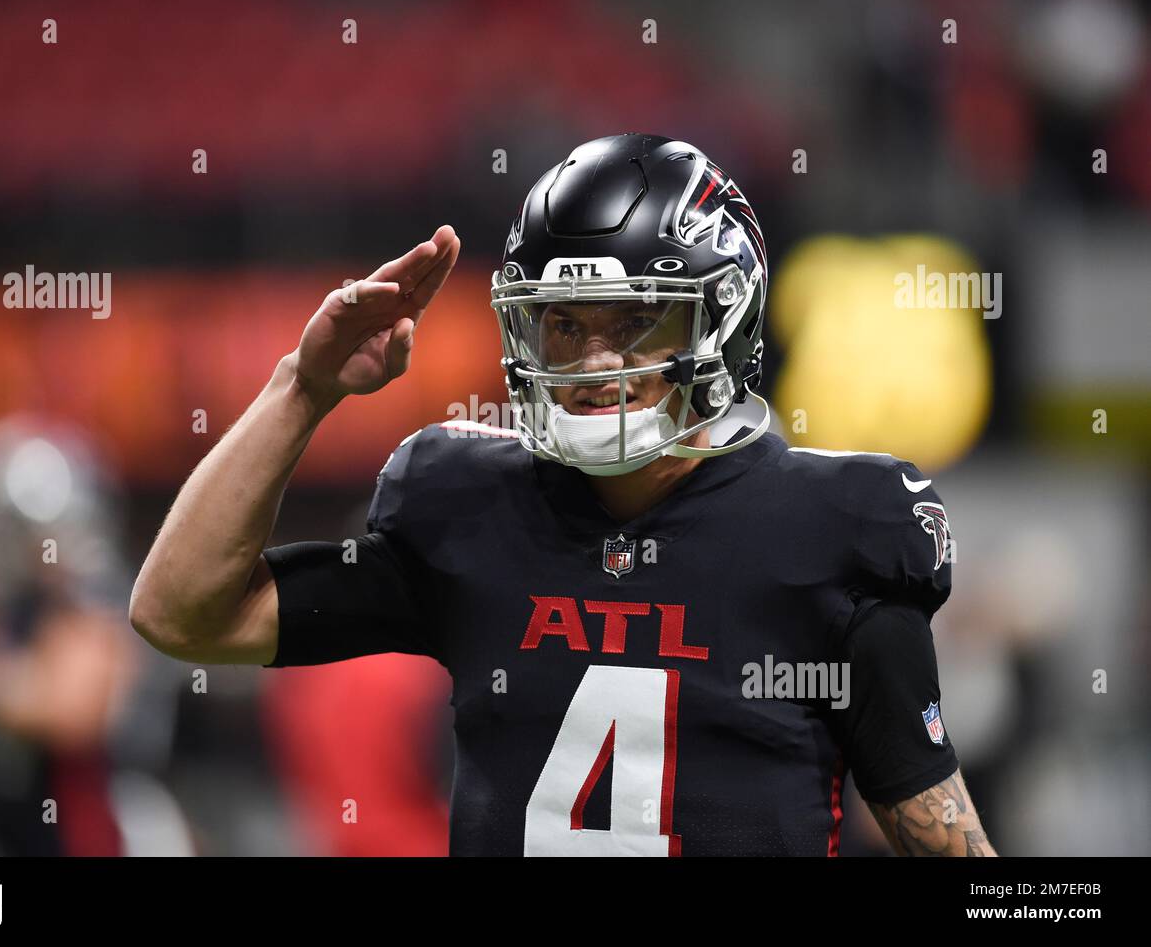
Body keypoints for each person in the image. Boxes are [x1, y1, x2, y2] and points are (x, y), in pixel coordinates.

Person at [131, 133, 995, 856]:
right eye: (566, 324)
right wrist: (301, 389)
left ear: (721, 323)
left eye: (635, 323)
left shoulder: (828, 531)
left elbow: (944, 838)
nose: (591, 365)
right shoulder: (469, 510)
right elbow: (182, 612)